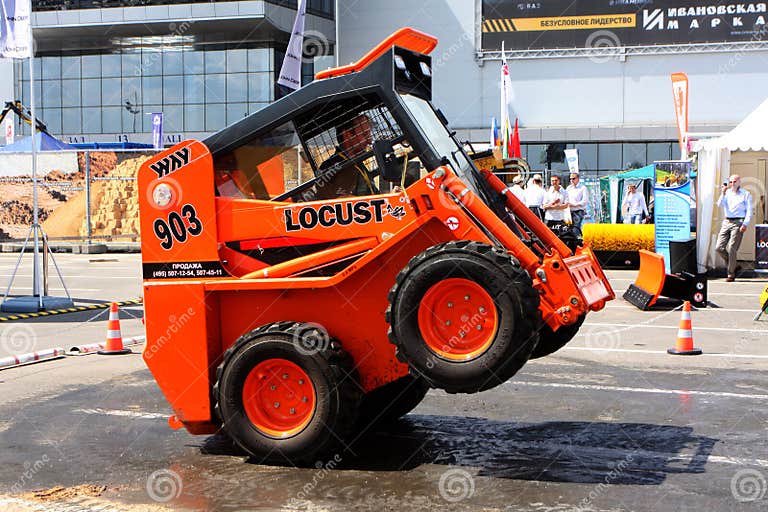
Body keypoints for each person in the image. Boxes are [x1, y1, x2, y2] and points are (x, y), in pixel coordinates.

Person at [314, 114, 376, 200]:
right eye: (364, 134)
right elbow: (345, 203)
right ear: (347, 134)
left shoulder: (355, 163)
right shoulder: (335, 167)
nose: (369, 140)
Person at [716, 174, 753, 282]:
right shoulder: (726, 193)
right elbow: (719, 204)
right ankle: (734, 265)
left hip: (739, 222)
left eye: (735, 182)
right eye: (731, 182)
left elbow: (749, 211)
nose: (732, 184)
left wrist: (745, 224)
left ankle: (730, 274)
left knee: (732, 248)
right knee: (719, 248)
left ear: (739, 182)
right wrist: (722, 193)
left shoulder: (745, 194)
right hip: (727, 221)